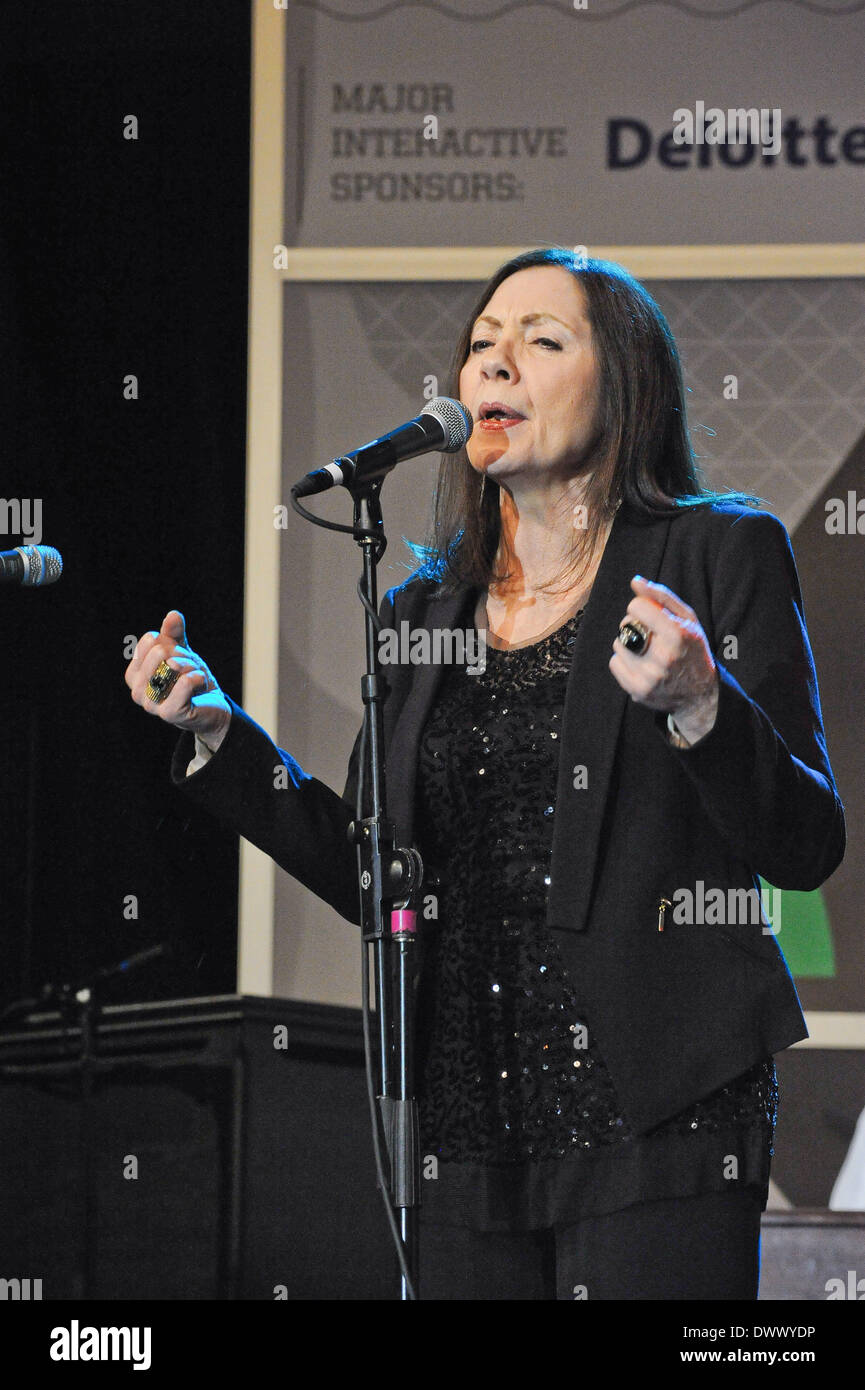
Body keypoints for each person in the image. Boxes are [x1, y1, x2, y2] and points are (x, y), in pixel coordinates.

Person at [125, 248, 845, 1301]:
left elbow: (805, 843)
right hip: (465, 1126)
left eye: (541, 341)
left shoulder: (714, 555)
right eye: (479, 345)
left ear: (625, 382)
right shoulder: (421, 613)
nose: (494, 362)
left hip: (661, 1112)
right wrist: (221, 739)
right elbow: (379, 878)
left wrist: (700, 702)